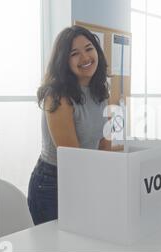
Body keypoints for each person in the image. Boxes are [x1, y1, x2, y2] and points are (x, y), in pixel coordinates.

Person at [28, 25, 121, 225]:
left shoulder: (101, 91)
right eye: (74, 53)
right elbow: (73, 158)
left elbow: (104, 143)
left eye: (89, 48)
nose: (85, 58)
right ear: (64, 61)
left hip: (85, 176)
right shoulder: (58, 96)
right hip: (53, 184)